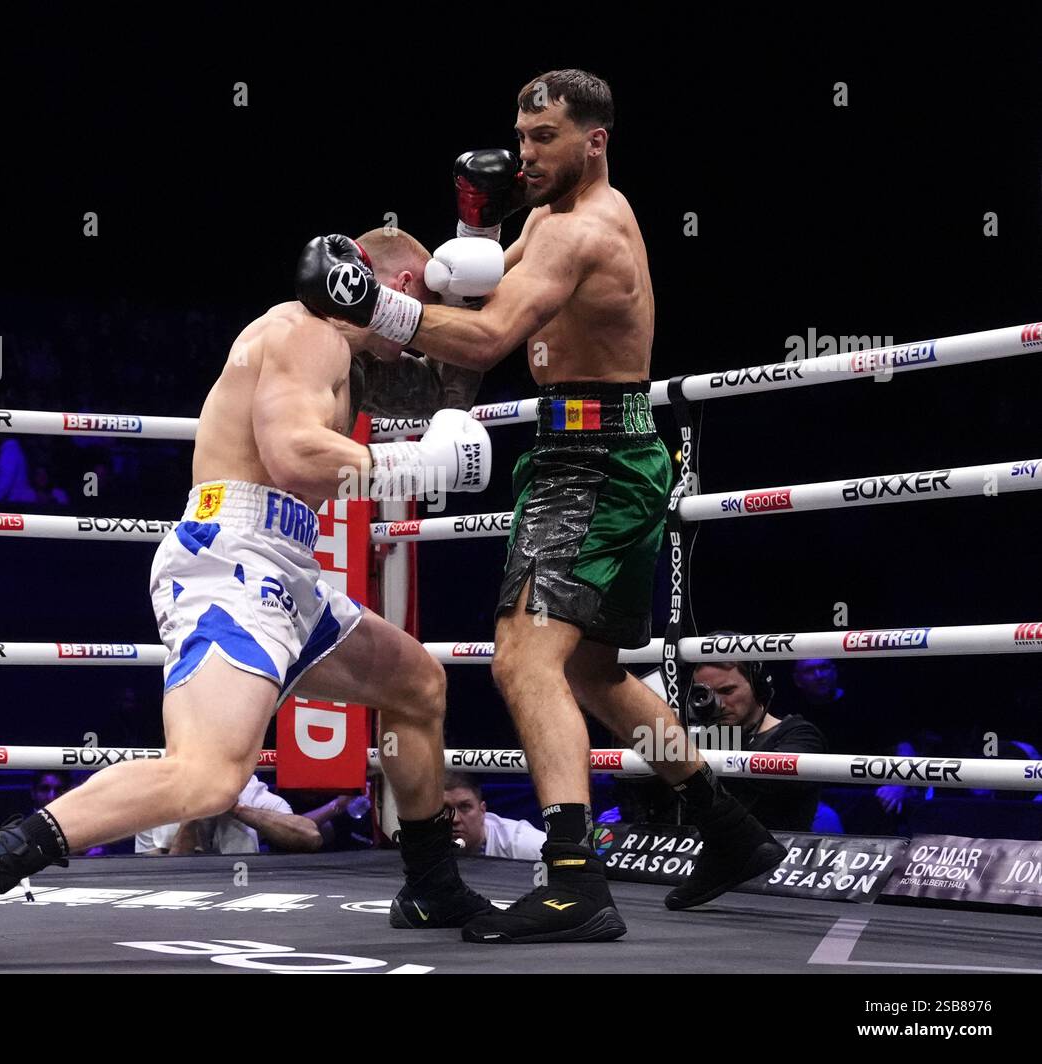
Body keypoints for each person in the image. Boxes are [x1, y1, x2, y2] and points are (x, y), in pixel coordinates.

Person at [0, 234, 497, 971]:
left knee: (416, 684)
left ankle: (432, 885)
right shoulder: (303, 333)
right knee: (209, 774)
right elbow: (294, 456)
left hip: (287, 567)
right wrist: (415, 462)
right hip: (234, 559)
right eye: (421, 307)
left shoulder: (346, 358)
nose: (421, 326)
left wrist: (480, 261)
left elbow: (447, 388)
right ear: (400, 284)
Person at [297, 69, 787, 944]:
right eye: (521, 138)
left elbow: (485, 337)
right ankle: (730, 828)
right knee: (593, 673)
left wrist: (367, 301)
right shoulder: (543, 222)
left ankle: (573, 882)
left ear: (594, 141)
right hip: (597, 450)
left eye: (545, 139)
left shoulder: (582, 231)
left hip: (591, 462)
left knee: (523, 661)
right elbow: (480, 296)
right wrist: (475, 227)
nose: (525, 155)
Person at [688, 652, 826, 830]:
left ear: (757, 685)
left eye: (727, 691)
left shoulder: (800, 735)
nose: (717, 704)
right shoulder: (702, 736)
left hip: (780, 853)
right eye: (704, 695)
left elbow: (772, 784)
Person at [135, 775, 321, 854]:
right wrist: (190, 820)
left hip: (241, 886)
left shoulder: (251, 793)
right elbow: (159, 877)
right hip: (184, 894)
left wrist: (236, 809)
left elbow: (311, 837)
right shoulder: (154, 801)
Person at [443, 772, 546, 860]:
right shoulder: (427, 844)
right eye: (444, 809)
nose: (454, 819)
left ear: (482, 811)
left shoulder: (524, 844)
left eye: (465, 807)